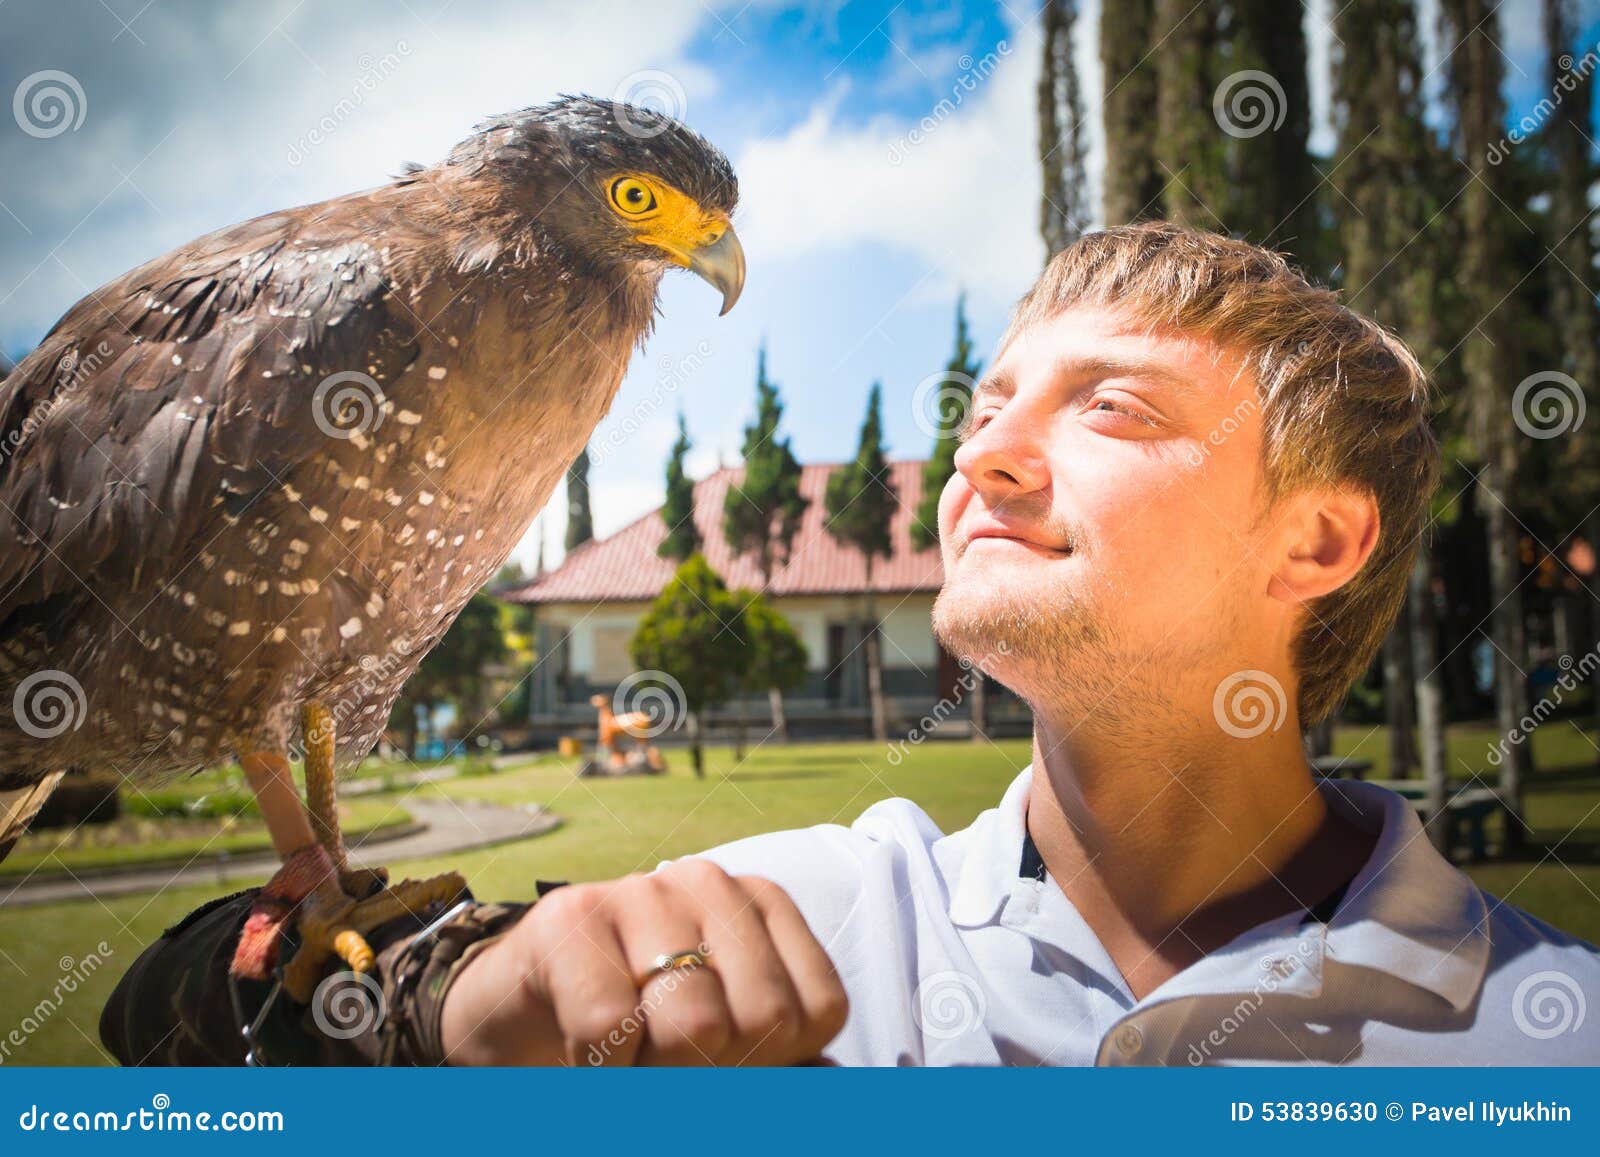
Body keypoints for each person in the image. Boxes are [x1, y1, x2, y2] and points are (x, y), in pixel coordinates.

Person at [104, 223, 1600, 1067]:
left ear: (1317, 543)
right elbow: (156, 1015)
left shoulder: (1550, 1048)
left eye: (1112, 407)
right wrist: (456, 998)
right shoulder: (781, 921)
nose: (983, 460)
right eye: (984, 407)